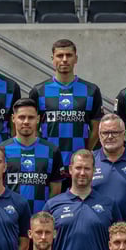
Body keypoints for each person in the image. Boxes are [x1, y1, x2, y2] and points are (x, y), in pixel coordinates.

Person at [45, 149, 123, 250]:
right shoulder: (52, 205)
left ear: (94, 170)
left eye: (87, 168)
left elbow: (117, 245)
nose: (82, 173)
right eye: (78, 168)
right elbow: (43, 244)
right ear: (70, 169)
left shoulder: (108, 205)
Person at [28, 38, 103, 175]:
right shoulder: (39, 91)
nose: (64, 59)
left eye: (69, 55)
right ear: (52, 59)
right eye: (59, 56)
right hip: (48, 160)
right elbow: (32, 127)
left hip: (79, 165)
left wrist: (85, 151)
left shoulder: (91, 90)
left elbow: (96, 128)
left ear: (76, 59)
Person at [1, 98, 63, 213]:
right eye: (21, 117)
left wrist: (45, 214)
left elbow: (56, 188)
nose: (26, 121)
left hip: (40, 220)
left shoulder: (52, 150)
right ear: (13, 119)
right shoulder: (2, 150)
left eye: (31, 117)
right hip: (9, 218)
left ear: (38, 119)